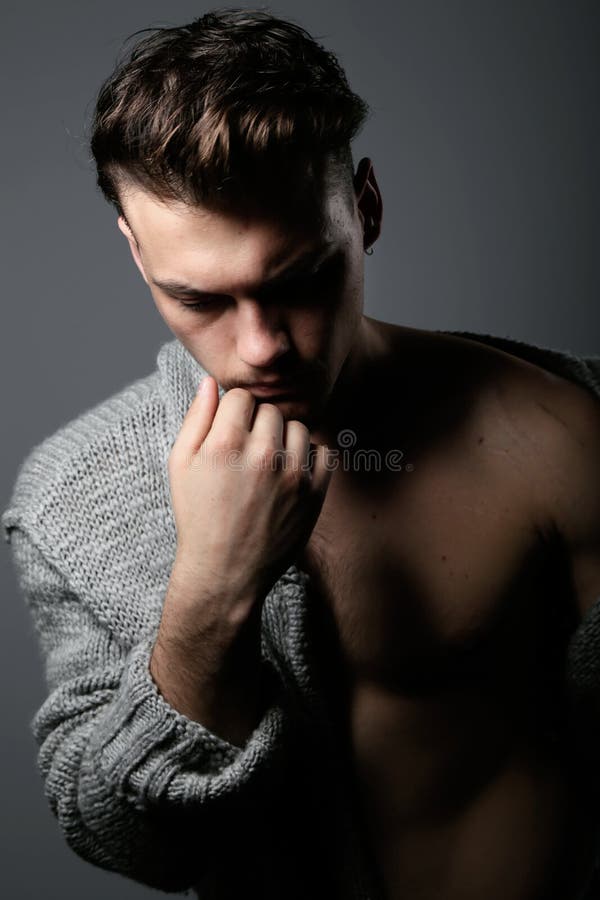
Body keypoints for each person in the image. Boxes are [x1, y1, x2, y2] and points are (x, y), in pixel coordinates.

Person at [3, 7, 600, 900]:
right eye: (199, 299)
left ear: (365, 208)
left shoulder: (559, 432)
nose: (261, 347)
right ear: (136, 251)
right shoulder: (73, 498)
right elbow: (129, 841)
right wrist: (211, 588)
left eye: (300, 279)